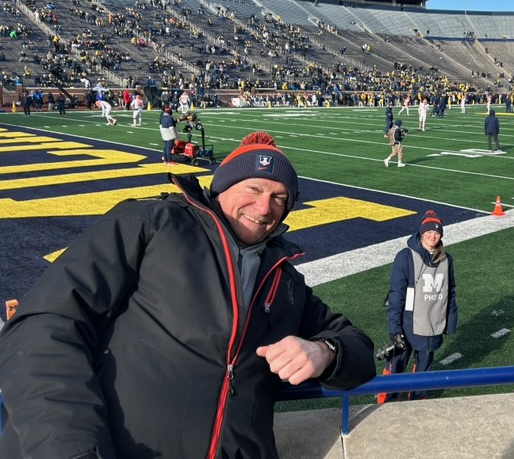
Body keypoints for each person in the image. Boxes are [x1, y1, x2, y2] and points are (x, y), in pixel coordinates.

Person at [0, 131, 375, 458]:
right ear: (222, 187)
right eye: (253, 188)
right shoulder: (152, 224)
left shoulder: (284, 280)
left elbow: (358, 347)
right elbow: (44, 327)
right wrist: (74, 451)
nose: (264, 207)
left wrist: (324, 352)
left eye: (279, 197)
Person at [379, 210, 457, 402]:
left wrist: (450, 322)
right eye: (429, 231)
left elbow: (451, 291)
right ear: (421, 233)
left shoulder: (447, 259)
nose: (433, 236)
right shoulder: (405, 256)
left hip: (432, 325)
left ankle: (417, 400)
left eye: (437, 232)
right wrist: (395, 330)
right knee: (397, 365)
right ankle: (387, 400)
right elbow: (396, 294)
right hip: (408, 325)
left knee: (424, 368)